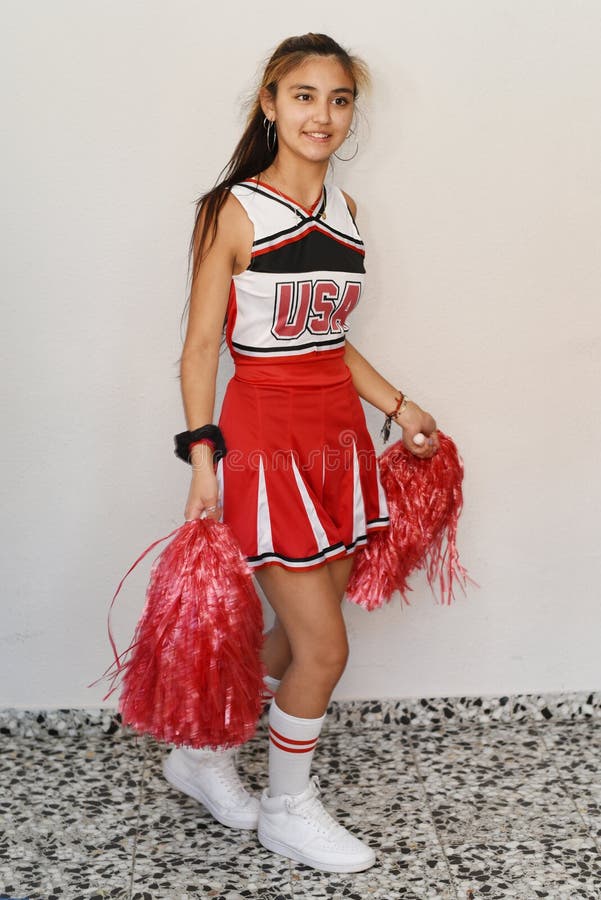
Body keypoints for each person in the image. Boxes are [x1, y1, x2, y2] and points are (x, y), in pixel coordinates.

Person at [163, 32, 439, 874]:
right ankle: (289, 809)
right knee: (325, 649)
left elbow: (328, 340)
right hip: (264, 443)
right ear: (271, 104)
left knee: (297, 630)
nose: (322, 114)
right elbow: (201, 346)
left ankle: (201, 754)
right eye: (305, 95)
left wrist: (398, 404)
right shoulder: (234, 208)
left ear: (351, 114)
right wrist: (205, 458)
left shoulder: (348, 214)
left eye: (339, 98)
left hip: (336, 444)